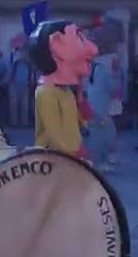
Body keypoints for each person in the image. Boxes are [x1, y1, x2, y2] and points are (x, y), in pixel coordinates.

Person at [31, 20, 98, 157]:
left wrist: (80, 95)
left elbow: (84, 122)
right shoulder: (46, 92)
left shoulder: (65, 91)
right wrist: (74, 155)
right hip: (55, 161)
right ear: (57, 44)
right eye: (80, 39)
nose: (93, 49)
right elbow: (55, 135)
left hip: (69, 159)